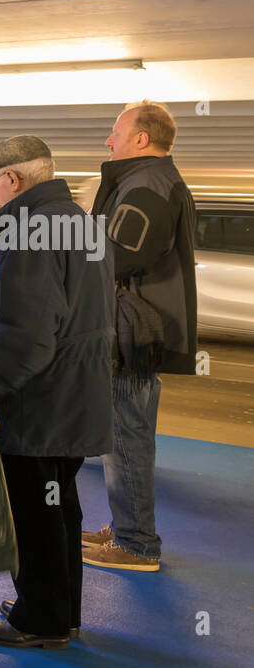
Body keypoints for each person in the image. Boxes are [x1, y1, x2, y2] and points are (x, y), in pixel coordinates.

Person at [0, 136, 113, 648]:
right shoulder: (84, 225)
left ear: (14, 180)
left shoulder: (28, 232)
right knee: (61, 503)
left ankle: (39, 620)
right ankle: (60, 609)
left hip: (37, 399)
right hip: (77, 391)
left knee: (34, 511)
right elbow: (60, 309)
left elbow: (28, 332)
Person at [81, 101, 197, 573]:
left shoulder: (146, 183)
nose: (109, 141)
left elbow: (116, 255)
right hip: (137, 327)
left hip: (132, 331)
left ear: (141, 139)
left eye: (115, 132)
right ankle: (126, 525)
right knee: (127, 434)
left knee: (126, 437)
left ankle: (136, 544)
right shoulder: (151, 180)